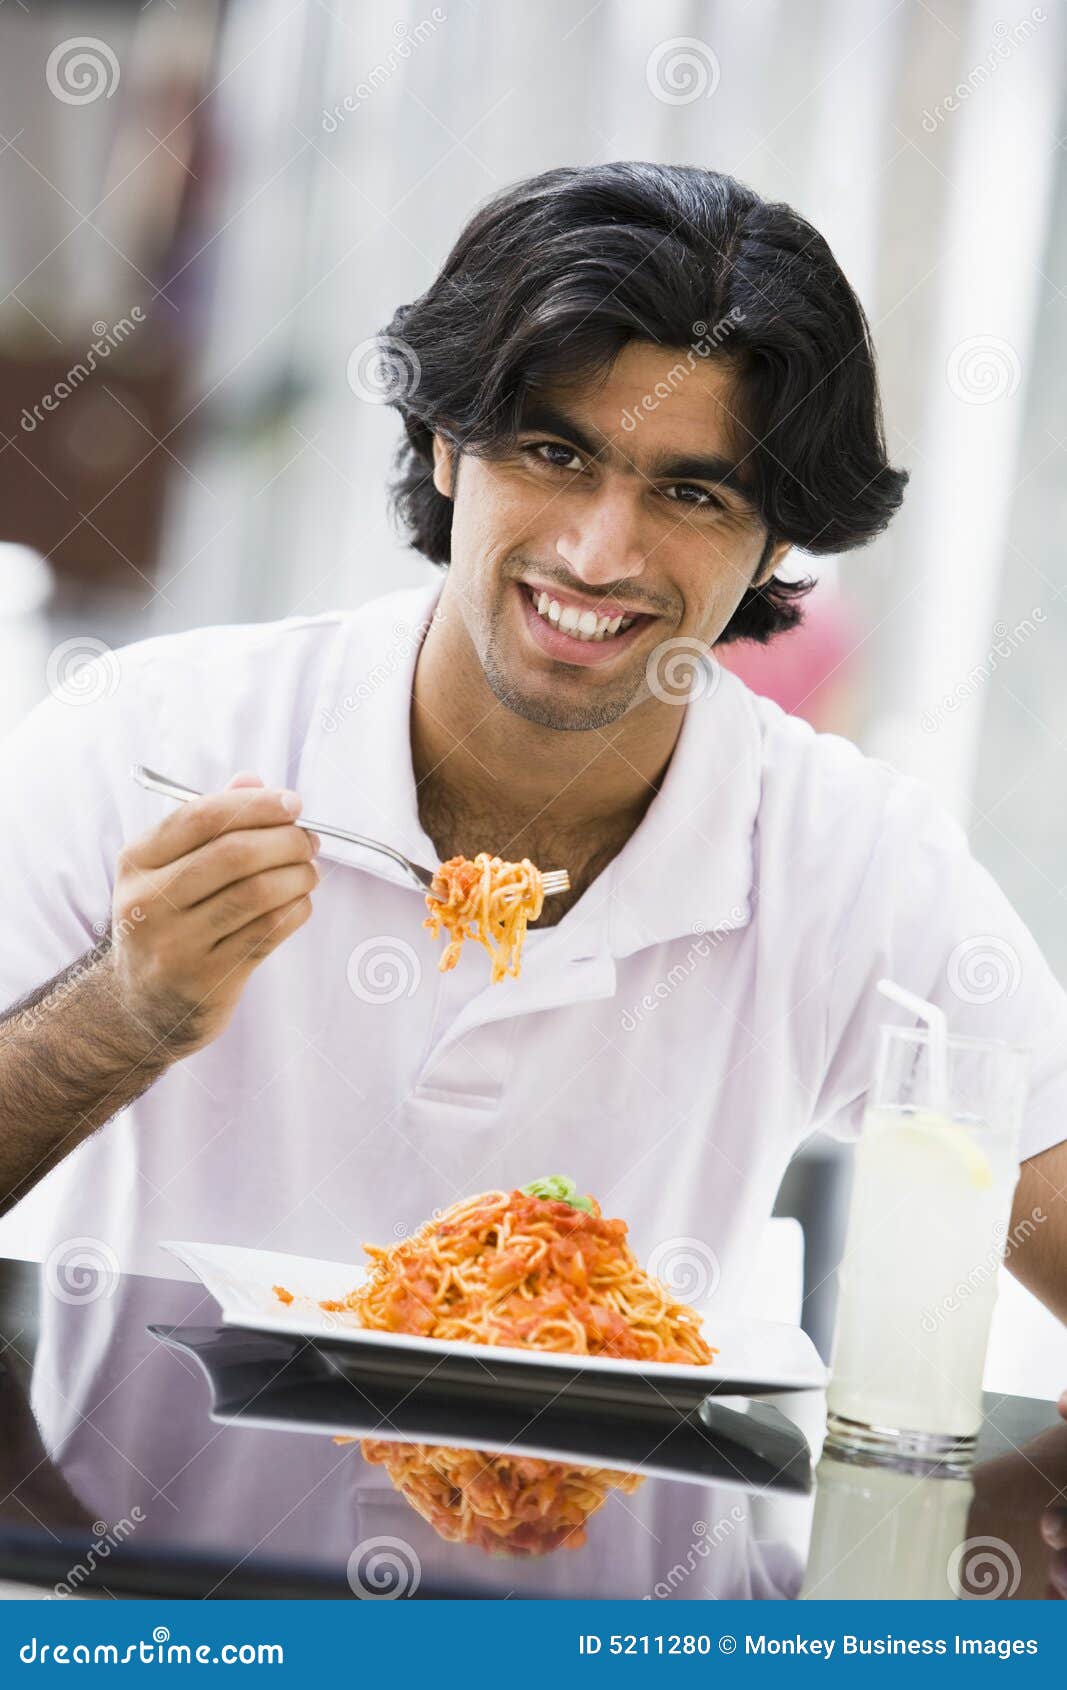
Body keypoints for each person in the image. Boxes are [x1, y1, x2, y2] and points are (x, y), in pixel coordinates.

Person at [0, 162, 1064, 1342]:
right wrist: (124, 1013)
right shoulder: (148, 738)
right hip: (127, 1523)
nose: (600, 554)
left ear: (773, 548)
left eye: (691, 495)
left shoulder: (849, 857)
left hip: (619, 1521)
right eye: (553, 456)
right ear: (447, 447)